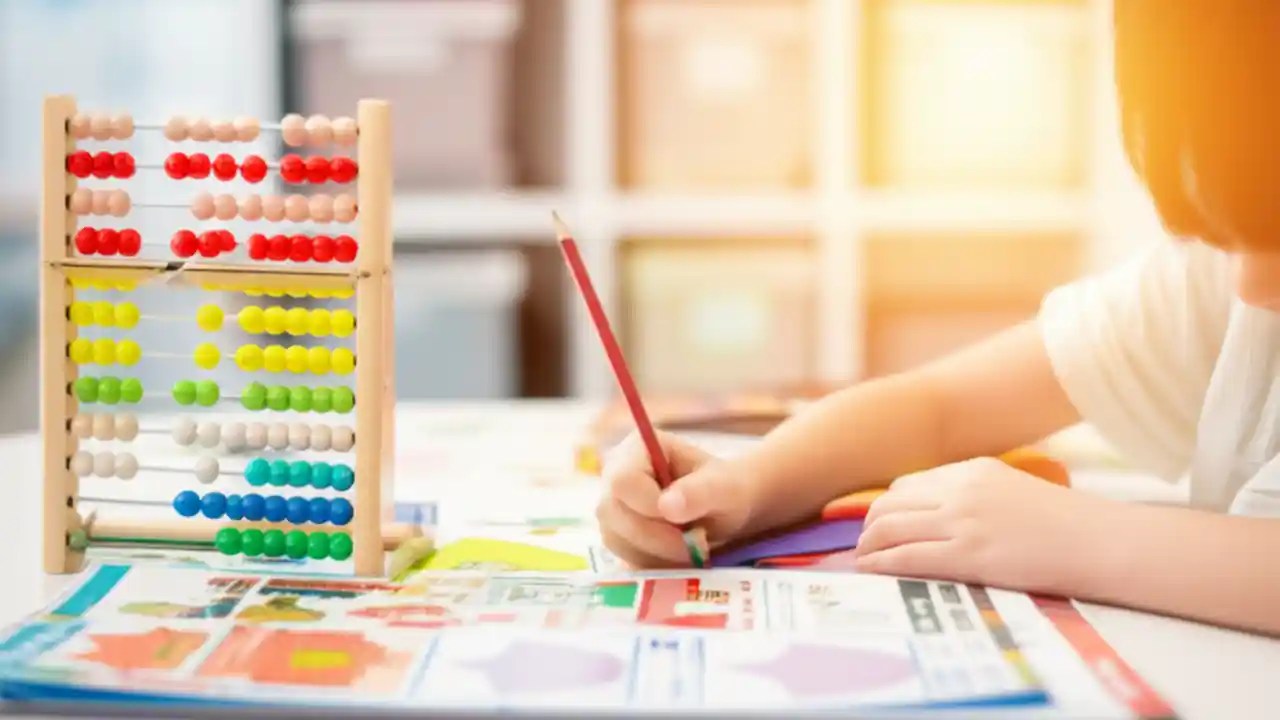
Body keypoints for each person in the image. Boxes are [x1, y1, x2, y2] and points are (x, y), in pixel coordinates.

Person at [597, 0, 1280, 636]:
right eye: (1223, 229)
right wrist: (748, 487)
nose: (1248, 285)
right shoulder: (1216, 277)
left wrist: (1076, 538)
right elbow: (941, 409)